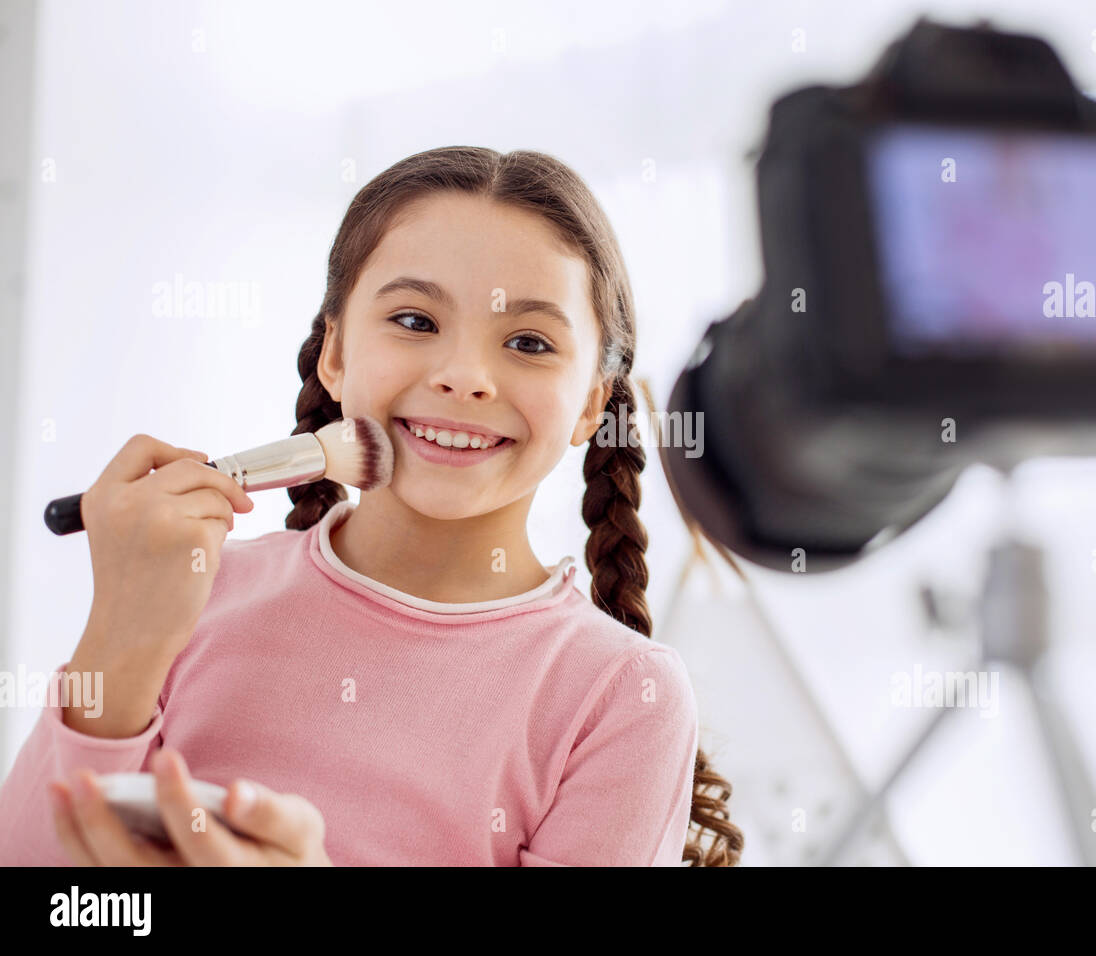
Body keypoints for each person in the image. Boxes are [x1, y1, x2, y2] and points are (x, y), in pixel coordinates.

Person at [0, 147, 742, 866]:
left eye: (527, 341)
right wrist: (122, 633)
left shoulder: (618, 696)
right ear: (336, 355)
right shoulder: (195, 591)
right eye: (416, 322)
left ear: (590, 406)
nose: (464, 376)